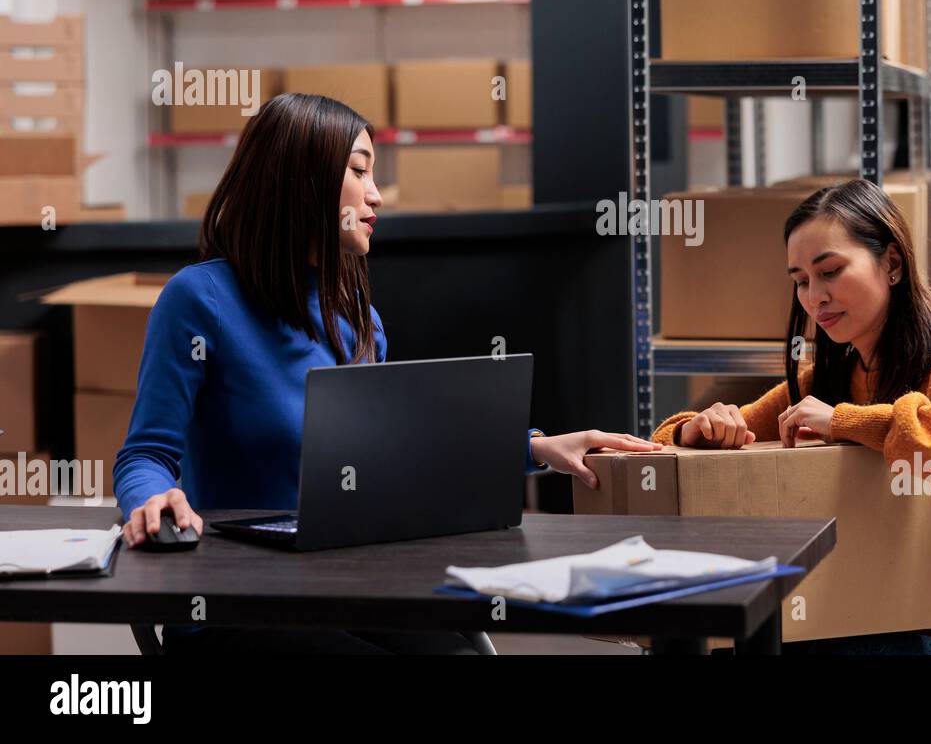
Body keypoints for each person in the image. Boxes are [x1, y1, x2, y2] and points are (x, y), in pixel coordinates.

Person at [113, 92, 660, 654]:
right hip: (234, 606)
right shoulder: (197, 300)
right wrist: (152, 502)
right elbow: (144, 456)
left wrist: (536, 447)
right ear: (302, 182)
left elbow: (398, 459)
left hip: (344, 586)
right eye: (359, 171)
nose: (376, 195)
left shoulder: (358, 319)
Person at [650, 178, 931, 655]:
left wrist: (849, 423)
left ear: (892, 263)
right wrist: (696, 428)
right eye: (800, 281)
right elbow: (670, 440)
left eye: (830, 271)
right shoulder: (823, 383)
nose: (814, 297)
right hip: (869, 621)